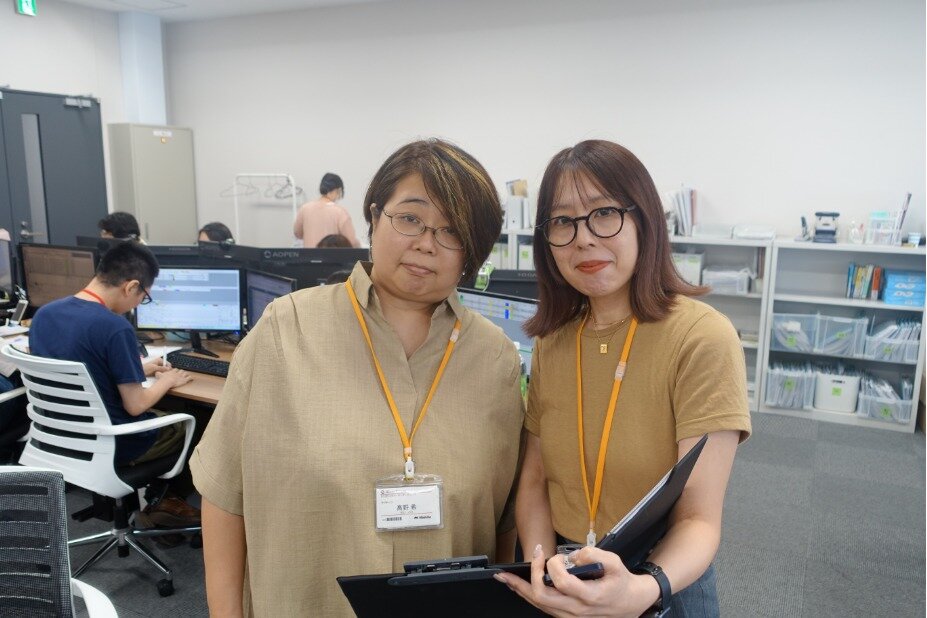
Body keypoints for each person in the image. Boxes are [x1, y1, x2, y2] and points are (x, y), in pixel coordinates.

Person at [192, 139, 524, 616]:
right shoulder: (286, 329)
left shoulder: (495, 358)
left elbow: (501, 523)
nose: (426, 243)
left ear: (473, 251)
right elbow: (224, 493)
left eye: (453, 231)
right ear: (373, 216)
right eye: (410, 218)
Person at [494, 140, 751, 617]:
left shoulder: (702, 337)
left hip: (660, 575)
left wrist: (640, 590)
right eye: (563, 222)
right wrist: (541, 566)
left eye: (604, 213)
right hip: (564, 572)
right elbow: (535, 478)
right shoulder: (553, 341)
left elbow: (698, 518)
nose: (583, 239)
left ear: (643, 220)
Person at [29, 241, 200, 526]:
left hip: (60, 437)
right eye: (144, 297)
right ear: (131, 287)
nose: (138, 304)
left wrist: (135, 369)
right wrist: (168, 380)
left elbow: (81, 367)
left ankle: (160, 507)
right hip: (114, 443)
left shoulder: (46, 314)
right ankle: (164, 504)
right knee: (194, 420)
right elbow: (136, 405)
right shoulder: (114, 326)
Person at [293, 172, 361, 248]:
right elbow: (351, 242)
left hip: (309, 255)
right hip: (331, 255)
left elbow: (297, 233)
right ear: (338, 190)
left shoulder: (305, 209)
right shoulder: (340, 212)